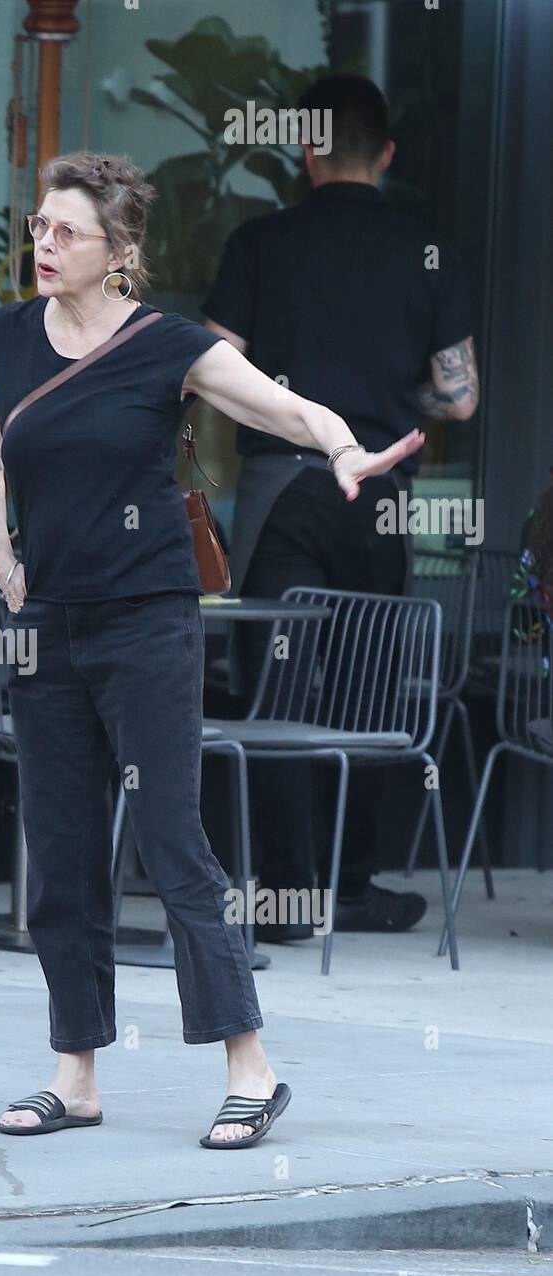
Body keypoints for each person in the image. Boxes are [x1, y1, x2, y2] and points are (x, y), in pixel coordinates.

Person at [0, 150, 424, 1146]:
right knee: (60, 852)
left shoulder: (165, 344)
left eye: (65, 231)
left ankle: (248, 1067)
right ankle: (74, 1073)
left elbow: (276, 405)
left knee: (171, 839)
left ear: (118, 250)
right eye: (38, 226)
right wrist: (3, 559)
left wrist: (341, 447)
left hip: (146, 617)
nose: (43, 244)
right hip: (46, 626)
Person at [202, 74, 479, 940]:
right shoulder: (422, 250)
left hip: (284, 485)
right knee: (366, 684)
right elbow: (459, 396)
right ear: (386, 154)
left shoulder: (260, 241)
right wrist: (402, 407)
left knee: (276, 687)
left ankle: (284, 895)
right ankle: (354, 886)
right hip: (381, 491)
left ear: (306, 147)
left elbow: (217, 366)